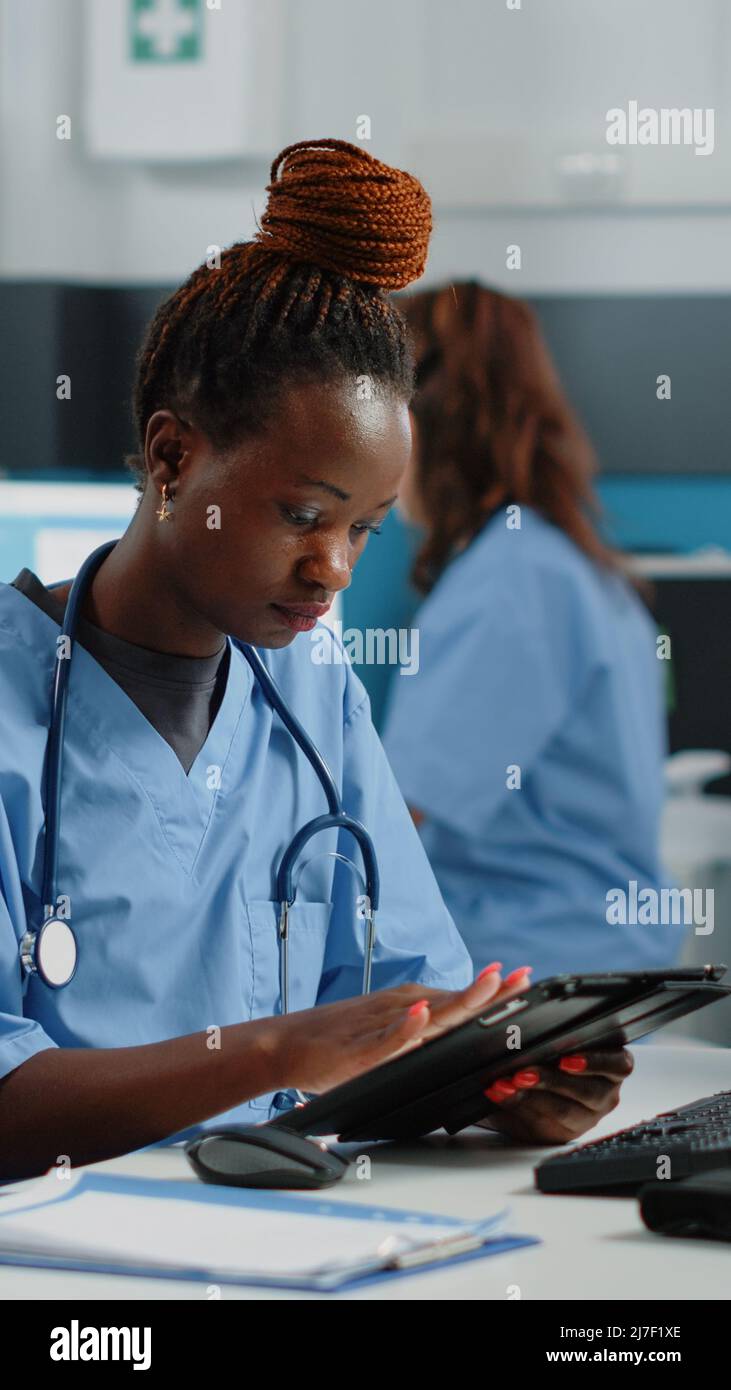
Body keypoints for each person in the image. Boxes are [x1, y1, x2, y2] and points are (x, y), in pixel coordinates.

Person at [0, 146, 632, 1181]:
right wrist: (279, 1050)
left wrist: (495, 1078)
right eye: (303, 515)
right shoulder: (12, 708)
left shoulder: (310, 688)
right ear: (172, 460)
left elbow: (406, 1002)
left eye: (365, 530)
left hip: (295, 1232)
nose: (330, 568)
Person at [382, 280, 683, 980]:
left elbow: (393, 822)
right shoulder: (566, 564)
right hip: (591, 962)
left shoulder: (510, 580)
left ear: (426, 417)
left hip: (528, 974)